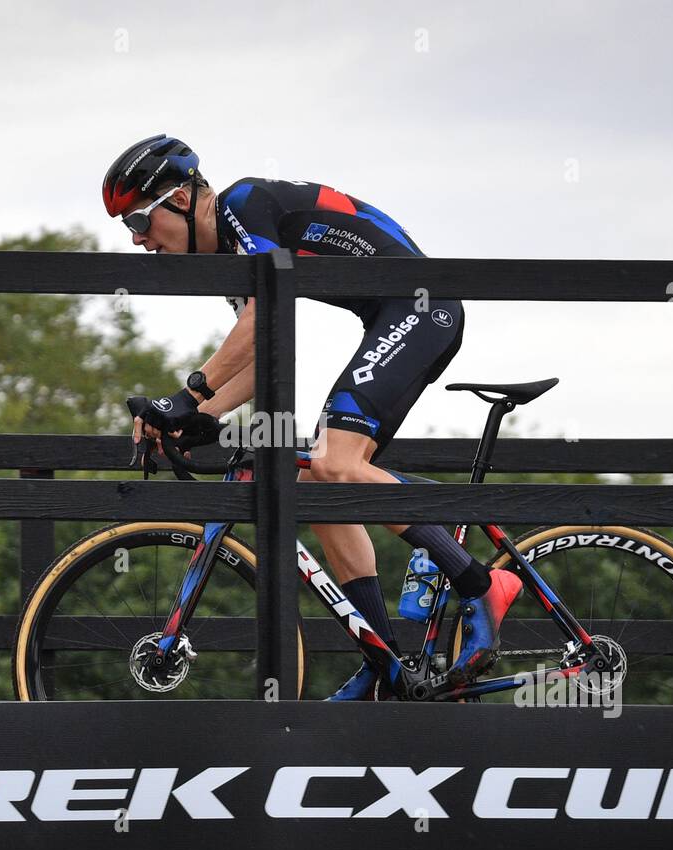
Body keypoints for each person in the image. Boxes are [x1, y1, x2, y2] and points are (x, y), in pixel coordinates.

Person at [103, 134, 521, 700]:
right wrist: (199, 416)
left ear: (180, 198)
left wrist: (188, 394)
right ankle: (384, 664)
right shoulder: (234, 255)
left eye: (140, 219)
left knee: (335, 465)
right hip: (392, 315)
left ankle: (480, 585)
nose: (138, 240)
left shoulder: (243, 206)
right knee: (315, 482)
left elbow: (262, 322)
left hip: (420, 308)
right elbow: (269, 347)